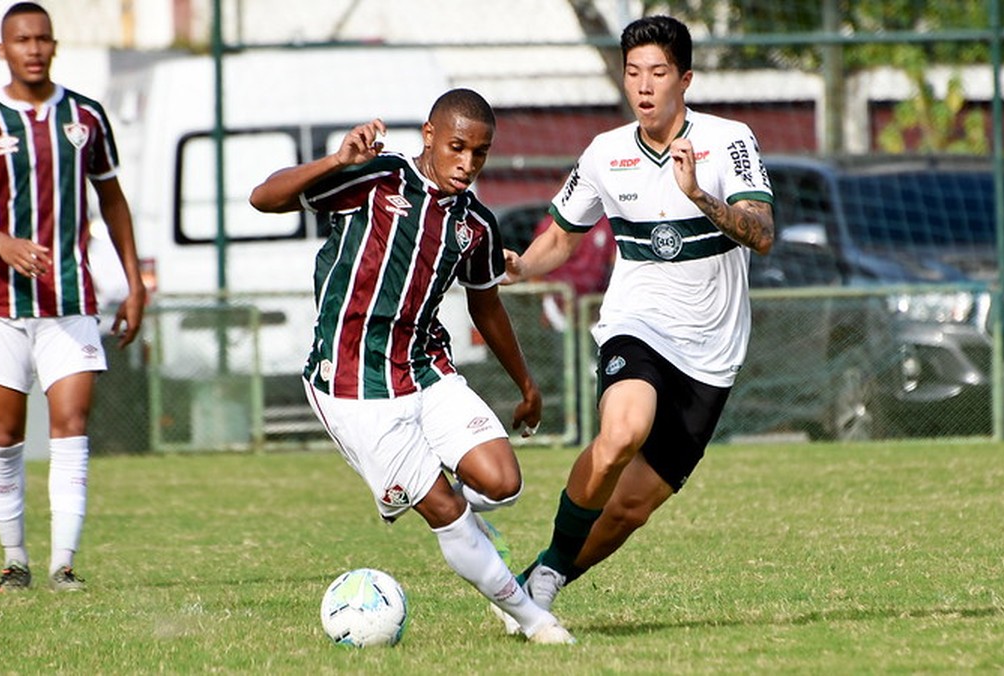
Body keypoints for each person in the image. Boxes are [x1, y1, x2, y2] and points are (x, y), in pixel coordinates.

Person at [248, 88, 575, 645]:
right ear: (429, 136)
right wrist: (335, 160)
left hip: (425, 367)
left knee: (503, 483)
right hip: (352, 382)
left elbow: (485, 301)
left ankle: (469, 529)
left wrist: (526, 382)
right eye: (457, 148)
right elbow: (263, 198)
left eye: (480, 153)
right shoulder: (374, 179)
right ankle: (533, 620)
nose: (467, 164)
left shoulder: (475, 223)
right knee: (444, 509)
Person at [500, 15, 775, 626]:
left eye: (657, 73)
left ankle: (544, 574)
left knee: (628, 511)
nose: (644, 86)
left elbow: (762, 234)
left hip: (712, 355)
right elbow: (559, 240)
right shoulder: (605, 153)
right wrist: (512, 268)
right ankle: (540, 585)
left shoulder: (729, 140)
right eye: (633, 73)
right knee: (623, 431)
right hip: (637, 325)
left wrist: (698, 193)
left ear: (686, 79)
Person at [0, 2, 146, 593]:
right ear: (3, 50)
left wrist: (134, 284)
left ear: (54, 46)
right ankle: (15, 559)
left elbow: (112, 202)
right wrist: (1, 243)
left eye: (42, 39)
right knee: (5, 433)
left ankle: (63, 563)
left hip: (71, 301)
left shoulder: (85, 115)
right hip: (2, 304)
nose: (33, 48)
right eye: (21, 40)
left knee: (70, 424)